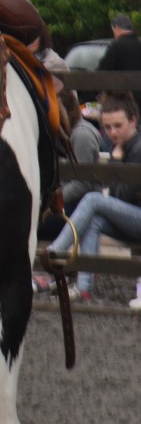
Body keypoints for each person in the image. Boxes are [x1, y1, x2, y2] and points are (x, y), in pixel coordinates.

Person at [45, 93, 141, 302]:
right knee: (93, 220)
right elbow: (118, 194)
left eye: (118, 126)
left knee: (92, 199)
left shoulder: (137, 148)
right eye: (108, 127)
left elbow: (120, 196)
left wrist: (115, 159)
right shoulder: (124, 146)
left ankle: (55, 251)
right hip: (133, 218)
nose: (112, 132)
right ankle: (84, 288)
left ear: (133, 121)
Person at [99, 14, 141, 109]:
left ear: (116, 28)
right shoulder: (139, 44)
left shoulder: (116, 46)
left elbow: (103, 71)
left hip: (123, 99)